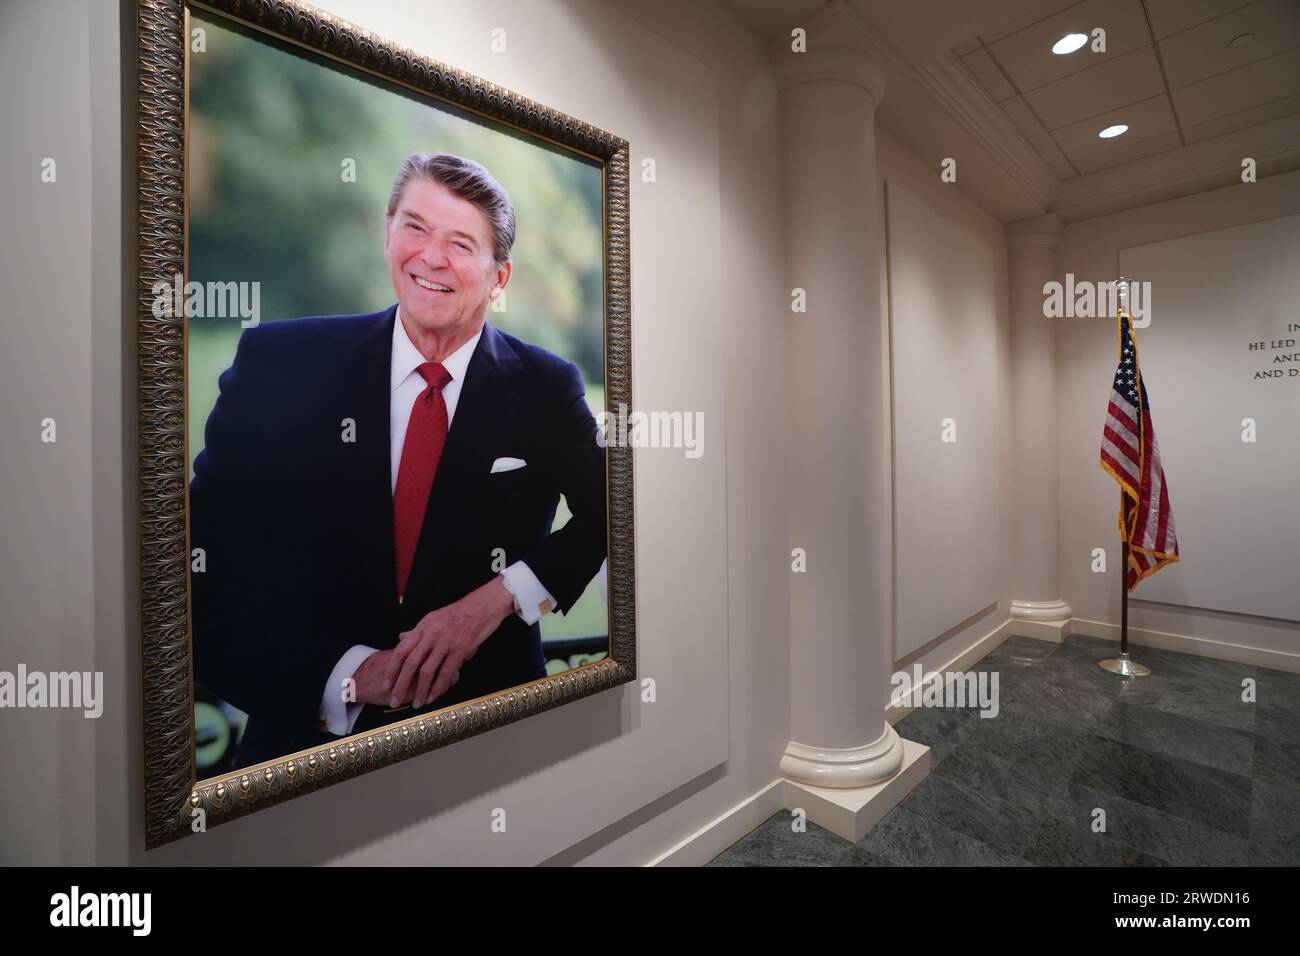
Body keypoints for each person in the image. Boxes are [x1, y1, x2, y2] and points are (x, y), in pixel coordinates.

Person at [190, 153, 607, 767]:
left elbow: (612, 513)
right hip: (302, 747)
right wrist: (350, 676)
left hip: (488, 734)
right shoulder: (280, 364)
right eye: (415, 227)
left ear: (500, 278)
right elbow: (200, 562)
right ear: (387, 233)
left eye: (462, 243)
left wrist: (498, 598)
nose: (432, 257)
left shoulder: (548, 388)